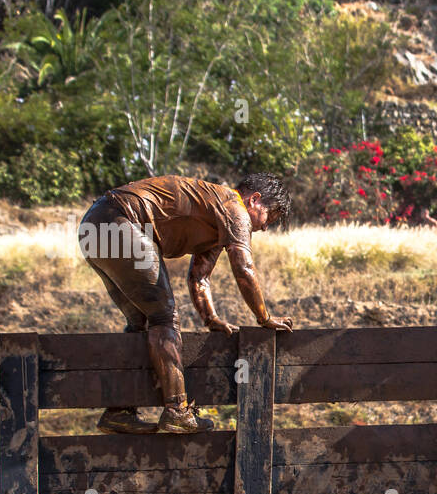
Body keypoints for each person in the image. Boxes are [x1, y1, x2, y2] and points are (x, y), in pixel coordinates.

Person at [79, 173, 294, 435]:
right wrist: (264, 317)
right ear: (255, 200)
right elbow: (244, 269)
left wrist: (210, 319)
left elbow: (199, 278)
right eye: (268, 217)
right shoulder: (233, 207)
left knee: (142, 321)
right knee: (164, 319)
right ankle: (177, 411)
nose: (264, 228)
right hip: (120, 220)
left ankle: (119, 411)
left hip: (94, 226)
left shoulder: (216, 218)